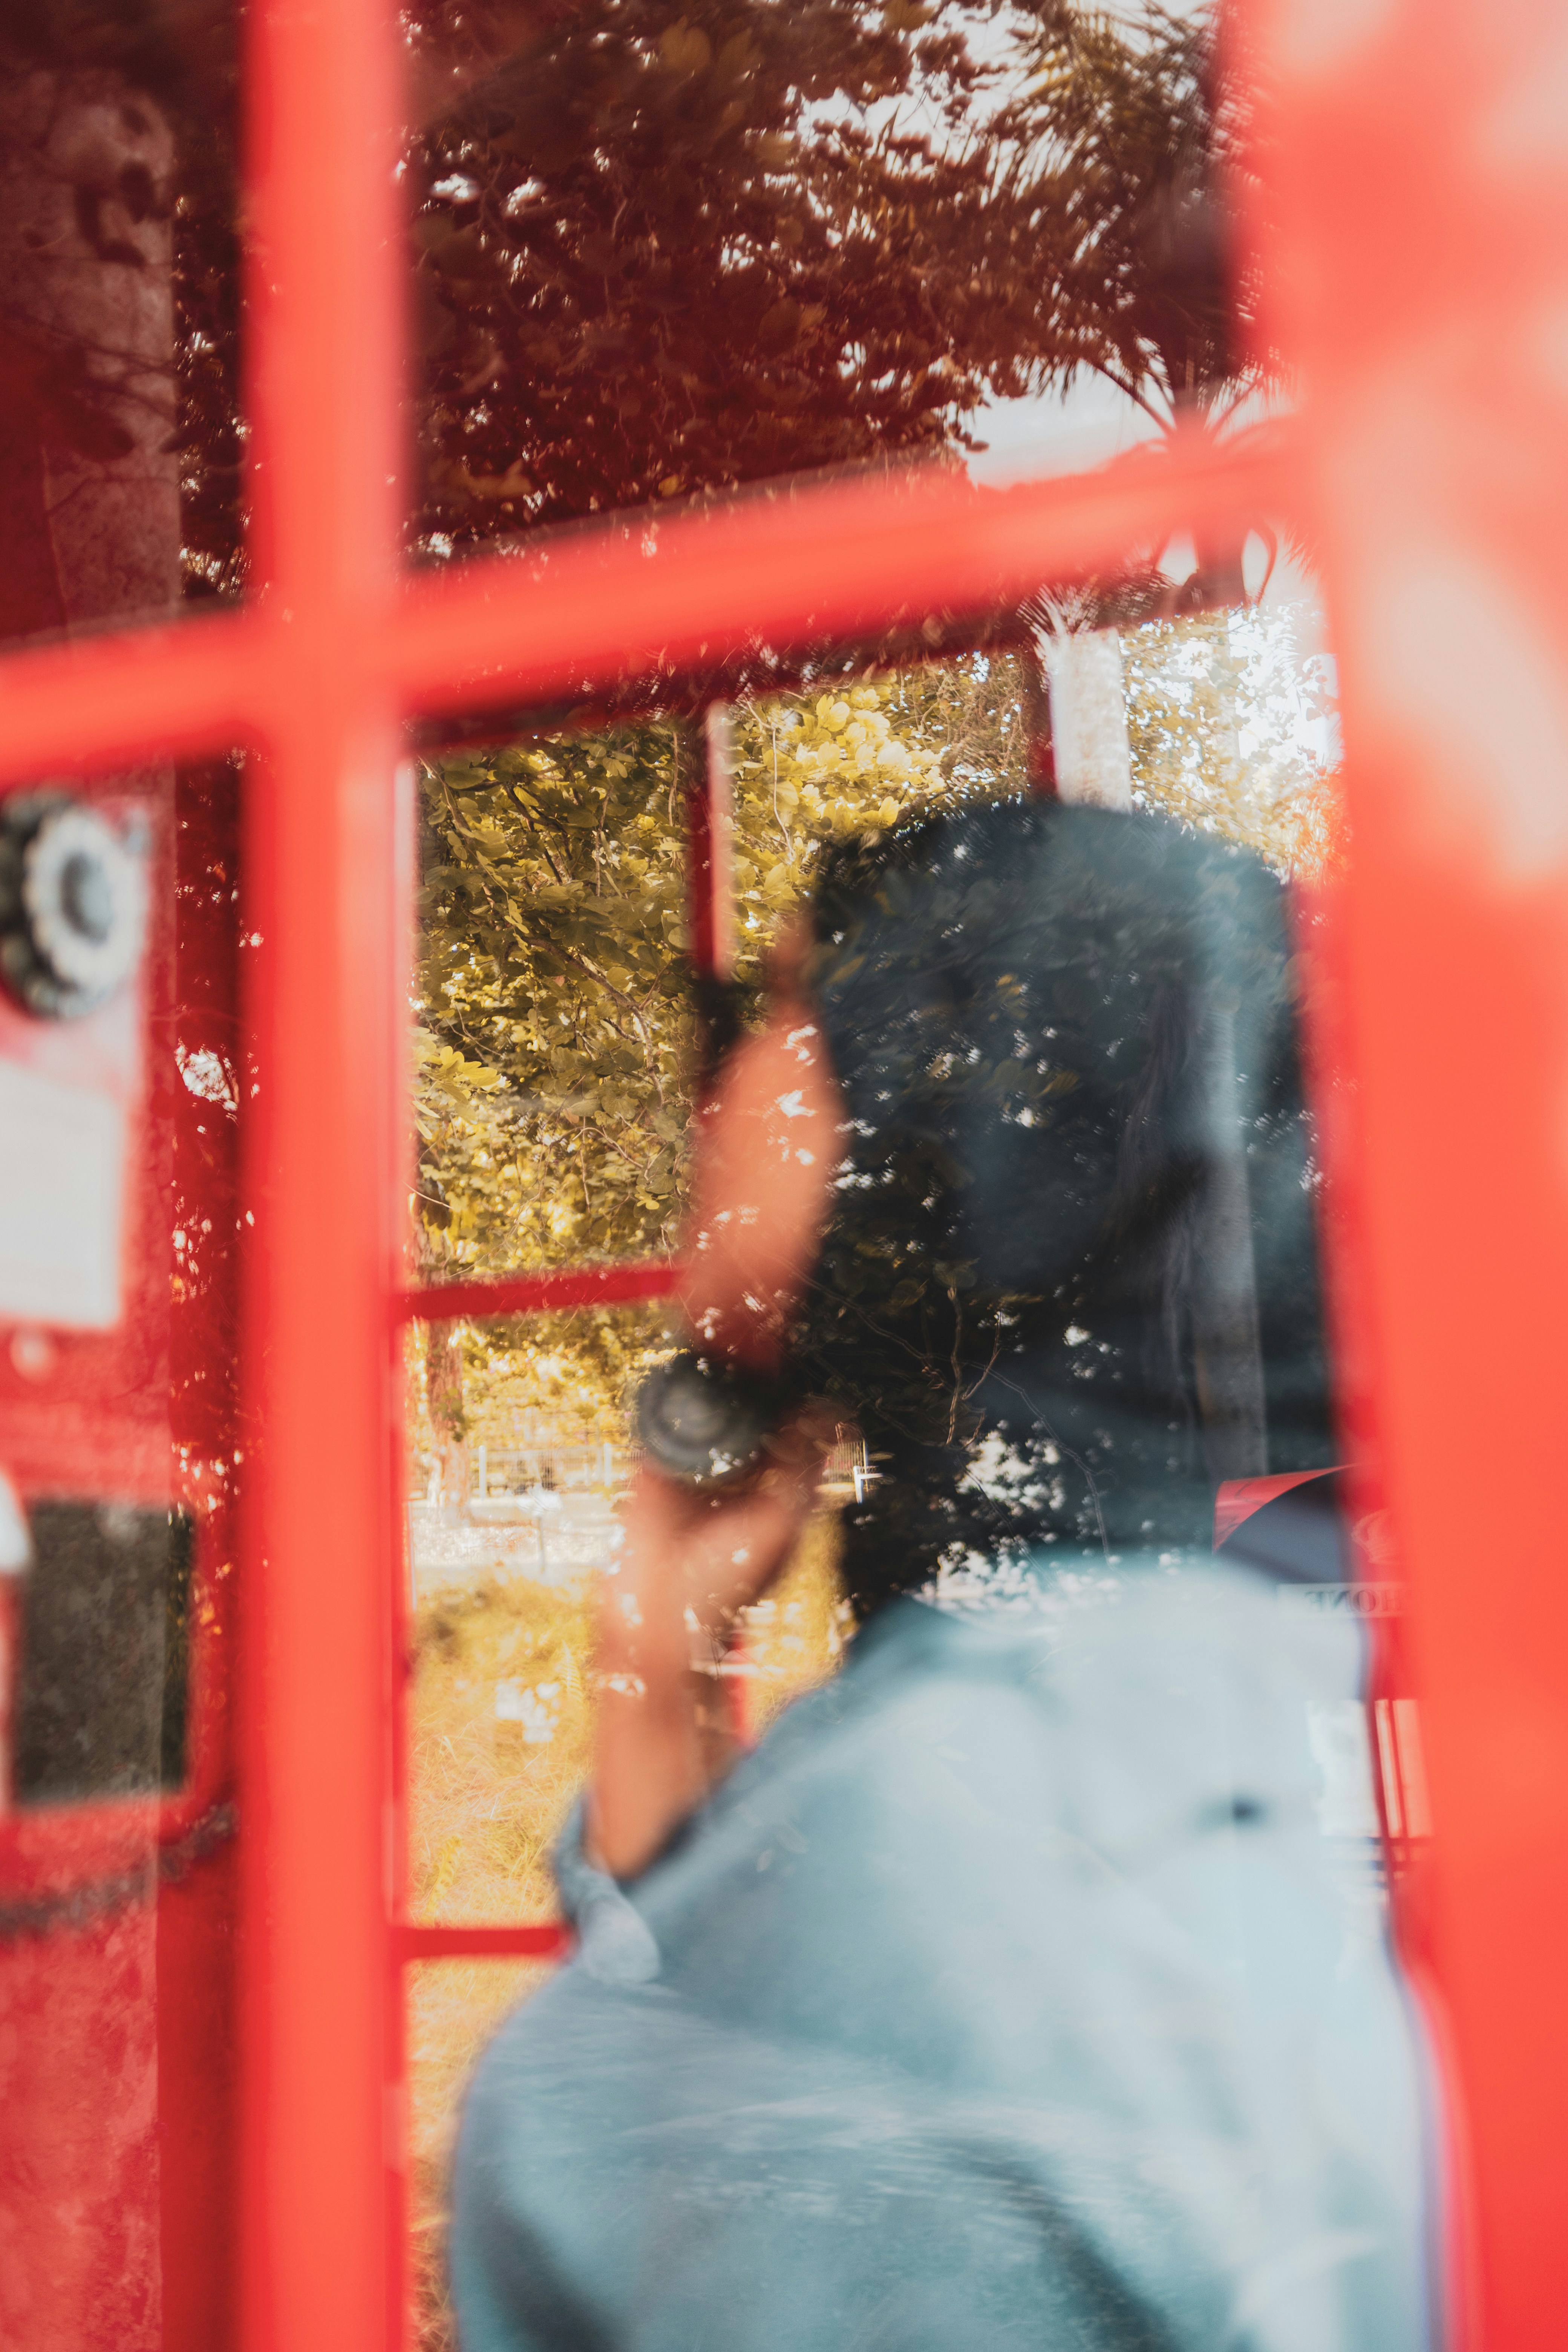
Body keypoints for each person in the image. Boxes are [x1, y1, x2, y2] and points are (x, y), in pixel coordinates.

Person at [450, 798, 1432, 2352]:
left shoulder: (950, 1827)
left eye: (770, 1014)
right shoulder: (1253, 1661)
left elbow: (668, 2211)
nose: (713, 1093)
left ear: (955, 1094)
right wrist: (656, 1682)